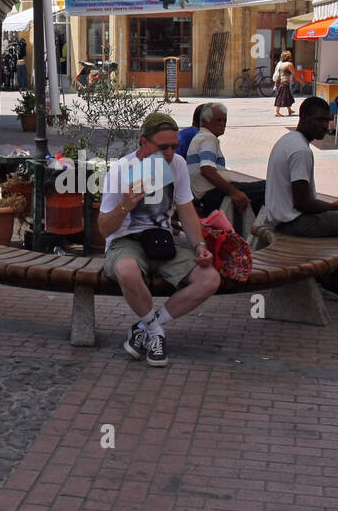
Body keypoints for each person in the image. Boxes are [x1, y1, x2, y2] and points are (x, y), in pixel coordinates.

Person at [99, 112, 221, 368]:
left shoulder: (176, 164)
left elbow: (186, 210)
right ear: (144, 142)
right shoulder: (123, 169)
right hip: (125, 242)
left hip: (161, 241)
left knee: (210, 278)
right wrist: (125, 206)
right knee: (126, 270)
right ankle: (156, 334)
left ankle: (145, 327)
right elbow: (103, 228)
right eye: (162, 147)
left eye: (174, 146)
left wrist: (200, 246)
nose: (169, 153)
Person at [264, 97, 338, 303]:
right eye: (319, 120)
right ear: (304, 117)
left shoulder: (289, 140)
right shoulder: (300, 150)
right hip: (294, 222)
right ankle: (333, 280)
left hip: (284, 218)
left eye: (327, 121)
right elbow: (303, 203)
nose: (324, 127)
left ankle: (328, 274)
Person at [186, 103, 265, 232]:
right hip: (211, 195)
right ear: (205, 121)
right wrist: (234, 192)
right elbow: (207, 170)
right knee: (268, 188)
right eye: (218, 120)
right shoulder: (208, 139)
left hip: (204, 195)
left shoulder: (201, 137)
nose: (222, 124)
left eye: (224, 120)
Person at [273, 51, 296, 117]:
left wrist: (276, 83)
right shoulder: (288, 64)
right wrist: (301, 81)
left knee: (287, 97)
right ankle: (277, 112)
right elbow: (294, 74)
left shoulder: (281, 64)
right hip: (284, 83)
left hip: (283, 83)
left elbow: (279, 74)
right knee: (281, 97)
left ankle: (289, 110)